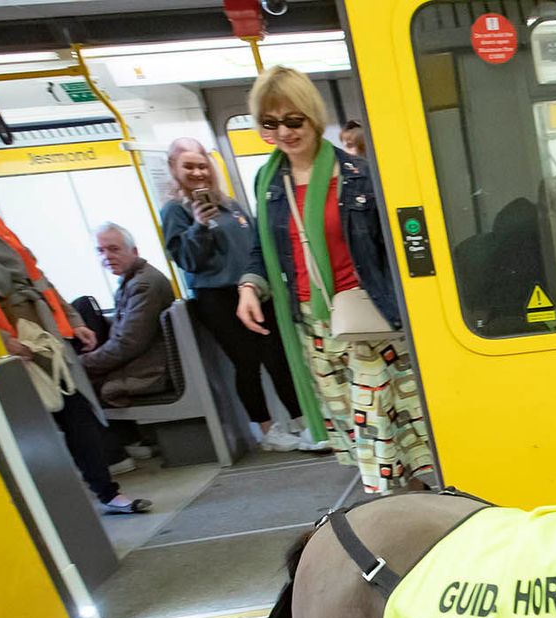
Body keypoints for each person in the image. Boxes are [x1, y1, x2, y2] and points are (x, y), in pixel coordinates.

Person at [0, 132, 150, 514]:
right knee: (29, 429)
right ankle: (46, 510)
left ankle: (107, 493)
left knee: (77, 413)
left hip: (38, 328)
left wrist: (72, 319)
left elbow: (31, 270)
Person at [236, 66, 436, 493]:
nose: (284, 133)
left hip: (364, 316)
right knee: (356, 424)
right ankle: (409, 502)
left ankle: (390, 508)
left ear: (313, 116)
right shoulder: (269, 182)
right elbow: (261, 246)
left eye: (294, 120)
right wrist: (249, 285)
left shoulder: (356, 176)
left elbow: (391, 251)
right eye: (270, 124)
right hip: (311, 326)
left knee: (379, 423)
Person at [160, 137, 320, 451]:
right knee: (247, 362)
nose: (198, 173)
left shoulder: (229, 204)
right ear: (174, 170)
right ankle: (267, 430)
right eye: (189, 167)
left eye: (202, 165)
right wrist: (198, 226)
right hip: (218, 297)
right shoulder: (176, 211)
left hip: (256, 290)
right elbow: (186, 259)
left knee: (279, 358)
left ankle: (303, 422)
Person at [82, 224, 173, 408]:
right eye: (100, 251)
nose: (106, 256)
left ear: (134, 251)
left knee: (74, 390)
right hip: (142, 363)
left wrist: (81, 364)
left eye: (114, 249)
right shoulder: (133, 280)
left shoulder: (143, 285)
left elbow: (128, 343)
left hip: (147, 371)